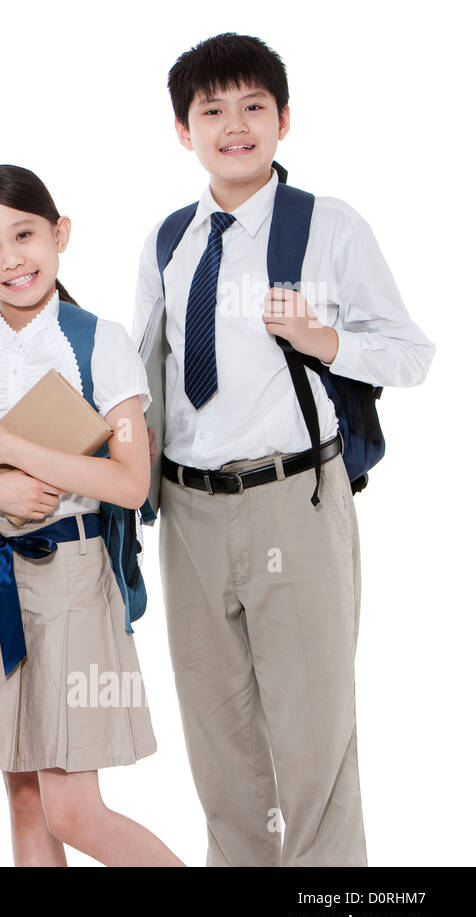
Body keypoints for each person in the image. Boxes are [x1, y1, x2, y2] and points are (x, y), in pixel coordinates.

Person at [135, 33, 435, 865]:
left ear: (284, 119)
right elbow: (145, 373)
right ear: (182, 130)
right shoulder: (170, 240)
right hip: (188, 512)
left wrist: (322, 338)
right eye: (212, 110)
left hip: (295, 501)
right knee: (220, 748)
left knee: (316, 750)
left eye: (253, 107)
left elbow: (411, 354)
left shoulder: (329, 227)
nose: (234, 125)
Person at [0, 164, 183, 866]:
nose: (11, 259)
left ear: (59, 234)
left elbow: (130, 483)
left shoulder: (98, 340)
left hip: (71, 578)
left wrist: (12, 447)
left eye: (25, 235)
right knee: (25, 799)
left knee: (73, 809)